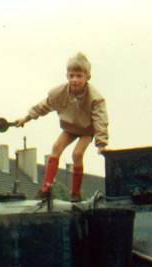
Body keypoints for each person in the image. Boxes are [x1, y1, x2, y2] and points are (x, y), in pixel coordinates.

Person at [14, 52, 108, 202]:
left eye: (79, 76)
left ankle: (75, 193)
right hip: (70, 128)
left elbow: (100, 119)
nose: (75, 80)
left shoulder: (95, 98)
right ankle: (46, 187)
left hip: (86, 130)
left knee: (77, 154)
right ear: (67, 76)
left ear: (87, 77)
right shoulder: (59, 93)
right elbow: (43, 106)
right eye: (71, 76)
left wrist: (101, 143)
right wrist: (26, 118)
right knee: (56, 147)